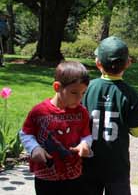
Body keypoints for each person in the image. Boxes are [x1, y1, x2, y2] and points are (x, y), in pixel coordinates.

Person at [83, 36, 138, 195]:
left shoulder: (87, 88)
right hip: (117, 164)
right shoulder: (131, 94)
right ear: (128, 63)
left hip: (89, 161)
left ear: (98, 64)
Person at [19, 61, 95, 193]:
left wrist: (85, 144)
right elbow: (25, 133)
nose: (79, 99)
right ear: (57, 87)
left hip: (74, 174)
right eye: (74, 93)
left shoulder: (81, 112)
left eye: (83, 93)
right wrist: (34, 148)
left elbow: (86, 134)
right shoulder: (40, 111)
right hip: (46, 176)